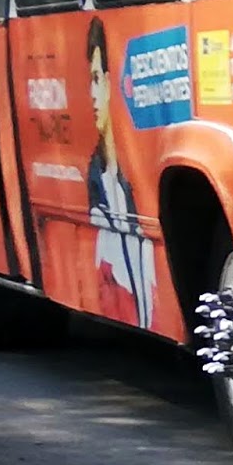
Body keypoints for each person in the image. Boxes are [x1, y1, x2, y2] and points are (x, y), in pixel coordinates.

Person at [86, 17, 156, 329]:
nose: (91, 93)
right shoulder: (97, 186)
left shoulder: (131, 184)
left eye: (97, 78)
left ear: (114, 85)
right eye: (90, 79)